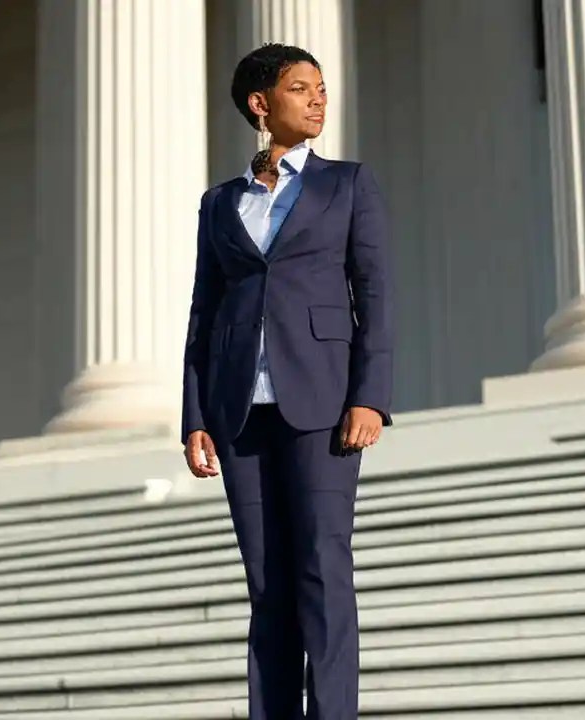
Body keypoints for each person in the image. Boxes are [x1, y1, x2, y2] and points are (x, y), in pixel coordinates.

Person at [180, 43, 394, 720]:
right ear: (260, 104)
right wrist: (193, 415)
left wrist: (371, 395)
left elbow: (376, 293)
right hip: (239, 410)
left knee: (322, 571)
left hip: (323, 404)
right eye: (302, 89)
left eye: (323, 89)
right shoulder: (220, 204)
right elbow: (204, 312)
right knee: (268, 584)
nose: (319, 99)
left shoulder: (348, 184)